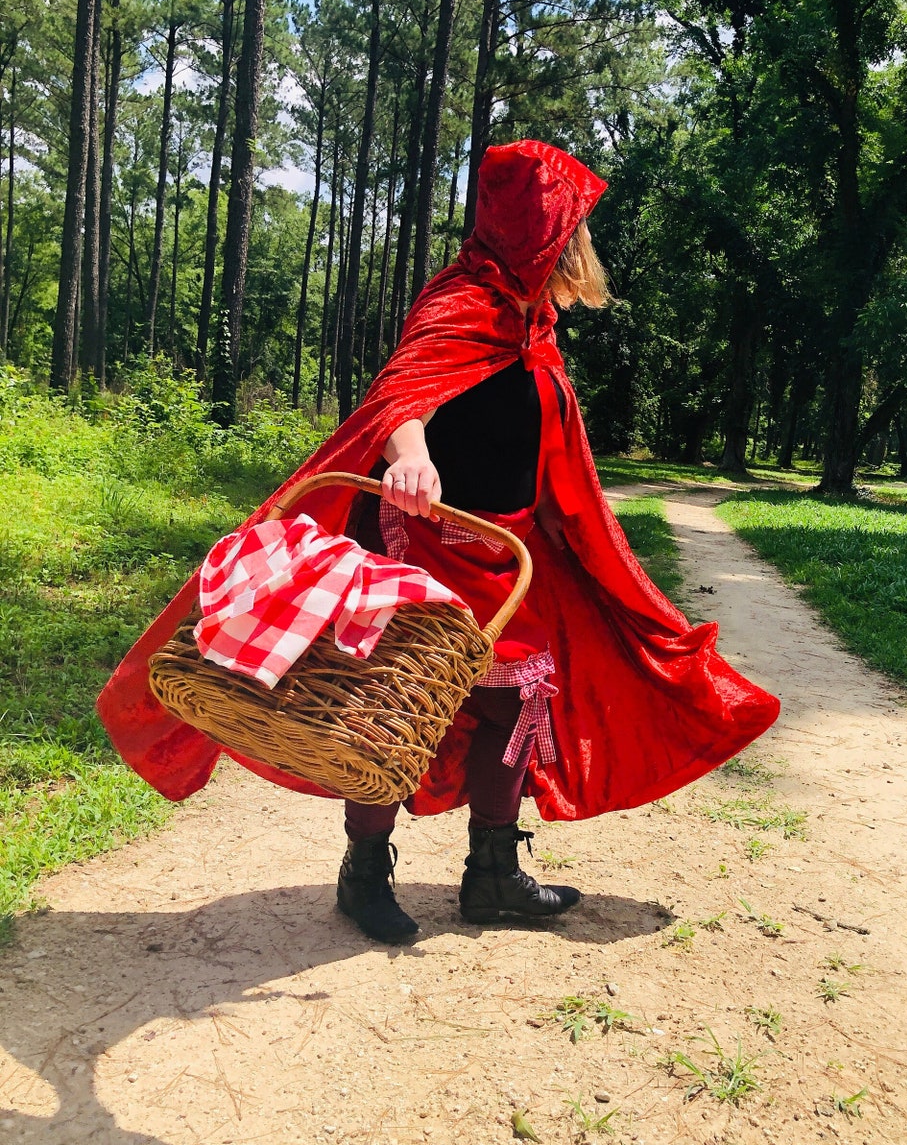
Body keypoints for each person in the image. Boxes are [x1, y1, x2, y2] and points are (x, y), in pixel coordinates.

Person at [96, 140, 780, 946]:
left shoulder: (535, 322)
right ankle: (363, 871)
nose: (575, 242)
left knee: (513, 703)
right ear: (536, 228)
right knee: (392, 704)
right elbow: (401, 397)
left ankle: (492, 876)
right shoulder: (460, 301)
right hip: (424, 541)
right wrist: (411, 457)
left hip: (514, 554)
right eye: (566, 226)